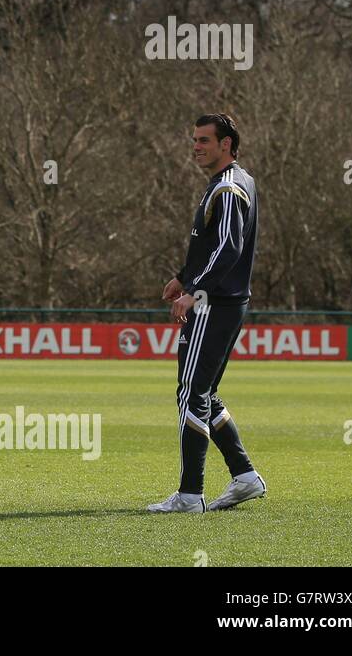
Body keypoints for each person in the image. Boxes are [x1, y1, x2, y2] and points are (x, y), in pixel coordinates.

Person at [150, 113, 266, 513]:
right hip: (219, 300)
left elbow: (228, 249)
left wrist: (194, 292)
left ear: (227, 144)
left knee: (191, 393)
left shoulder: (230, 187)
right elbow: (210, 245)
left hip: (214, 304)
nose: (196, 146)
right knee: (203, 392)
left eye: (204, 140)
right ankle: (245, 477)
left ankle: (189, 494)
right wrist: (183, 277)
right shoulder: (228, 183)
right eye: (194, 140)